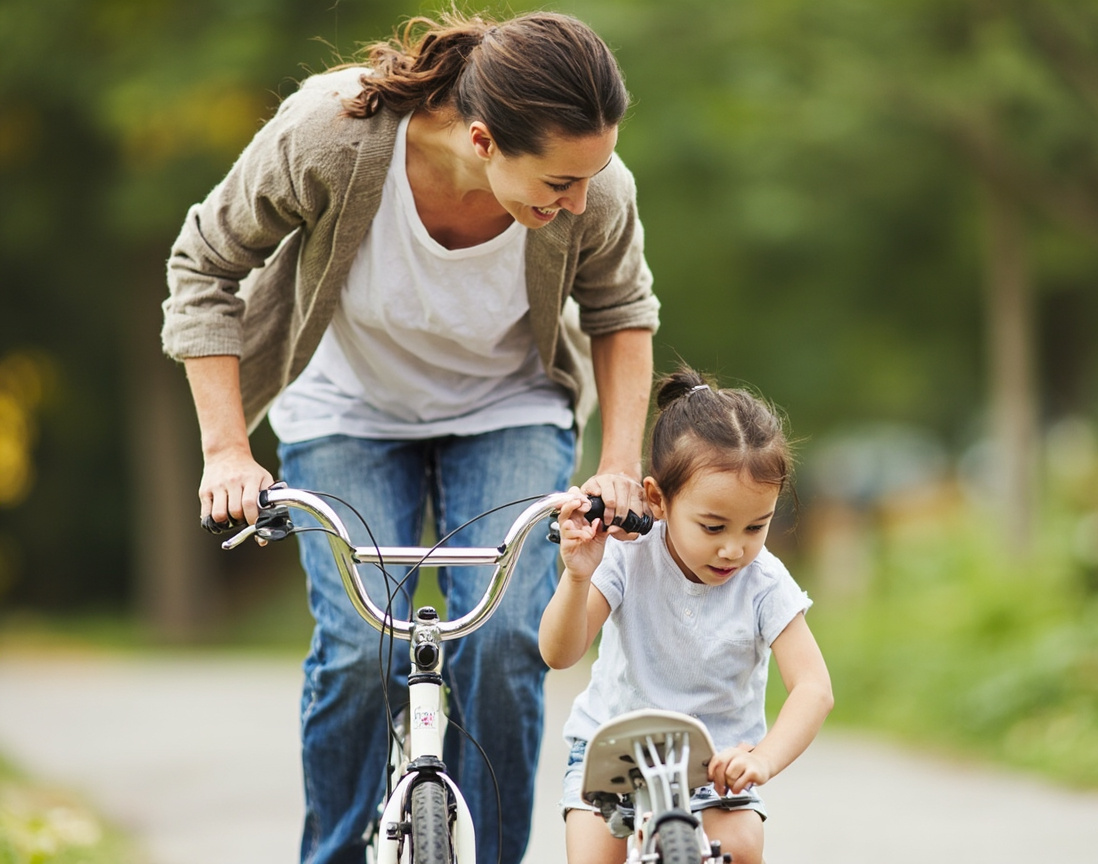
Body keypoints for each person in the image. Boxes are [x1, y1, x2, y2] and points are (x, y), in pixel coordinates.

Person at [161, 8, 659, 864]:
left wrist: (617, 464)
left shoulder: (596, 187)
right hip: (345, 407)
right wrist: (226, 452)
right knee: (363, 649)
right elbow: (204, 266)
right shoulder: (331, 137)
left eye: (591, 177)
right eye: (559, 183)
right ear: (482, 139)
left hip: (508, 407)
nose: (580, 201)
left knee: (504, 643)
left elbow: (621, 311)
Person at [539, 367, 834, 864]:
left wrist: (762, 759)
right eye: (713, 527)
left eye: (755, 527)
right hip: (616, 753)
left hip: (716, 764)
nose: (734, 549)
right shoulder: (629, 554)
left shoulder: (763, 581)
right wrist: (577, 577)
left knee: (740, 846)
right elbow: (559, 653)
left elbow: (813, 688)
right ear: (658, 499)